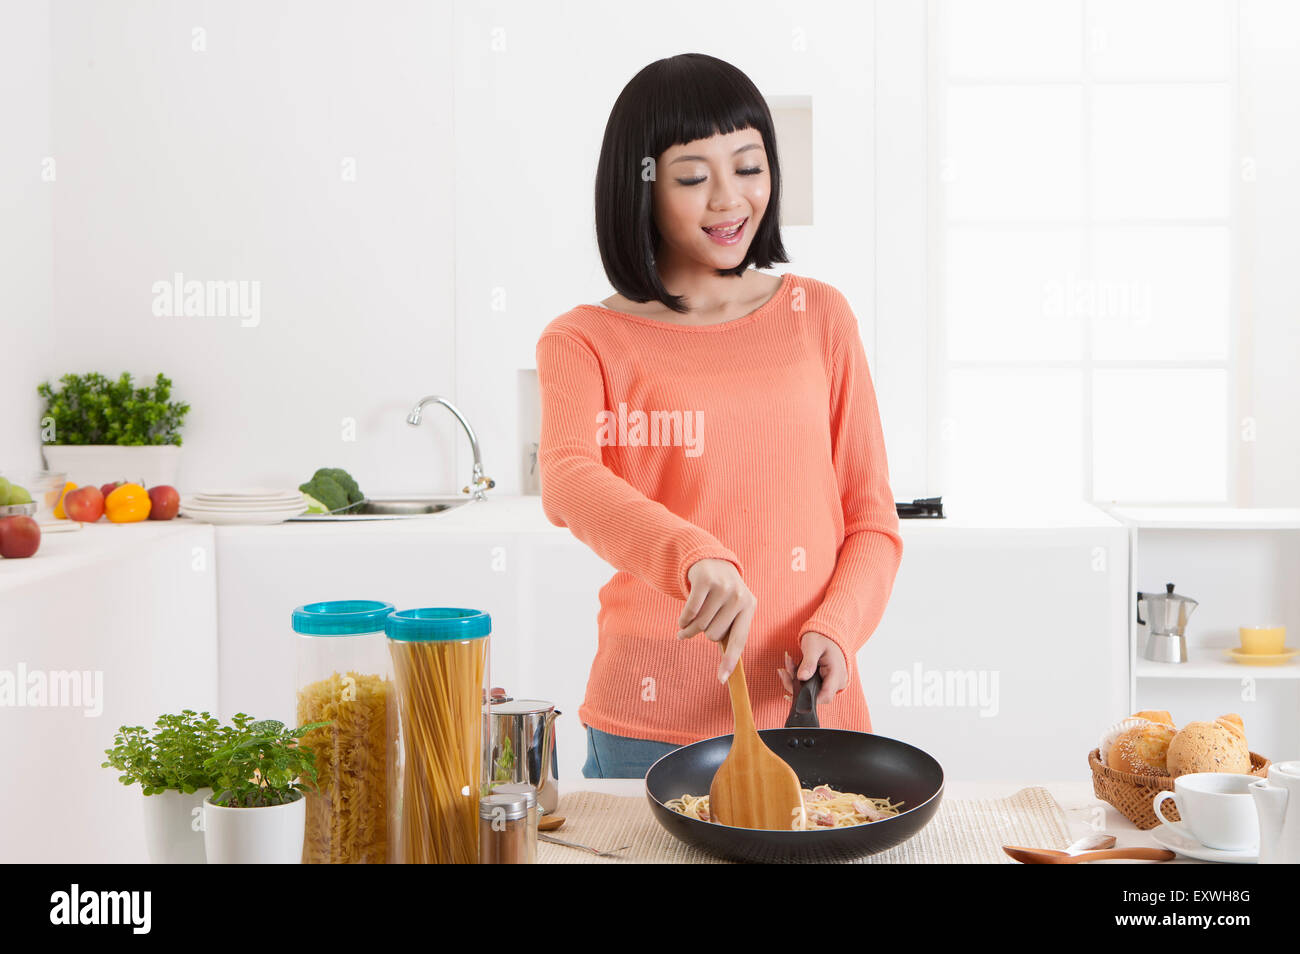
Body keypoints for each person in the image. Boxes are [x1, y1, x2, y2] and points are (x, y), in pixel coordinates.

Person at [535, 53, 903, 778]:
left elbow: (872, 523)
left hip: (811, 712)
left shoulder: (818, 316)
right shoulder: (583, 340)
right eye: (693, 177)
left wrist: (837, 628)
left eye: (749, 166)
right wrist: (695, 555)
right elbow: (569, 476)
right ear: (639, 189)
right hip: (650, 728)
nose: (729, 199)